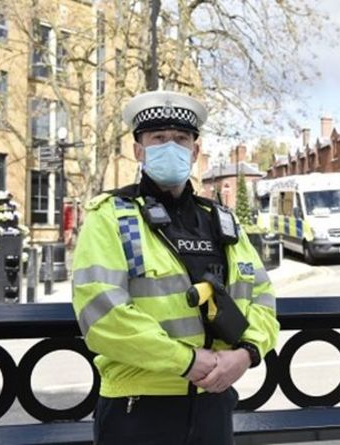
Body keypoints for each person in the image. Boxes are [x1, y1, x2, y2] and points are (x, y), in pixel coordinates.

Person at [72, 90, 279, 445]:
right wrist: (185, 361)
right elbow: (101, 313)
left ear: (195, 151)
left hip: (212, 404)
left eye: (181, 139)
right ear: (139, 150)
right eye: (159, 138)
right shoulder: (110, 216)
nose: (171, 146)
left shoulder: (222, 221)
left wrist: (246, 353)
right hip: (136, 407)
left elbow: (262, 299)